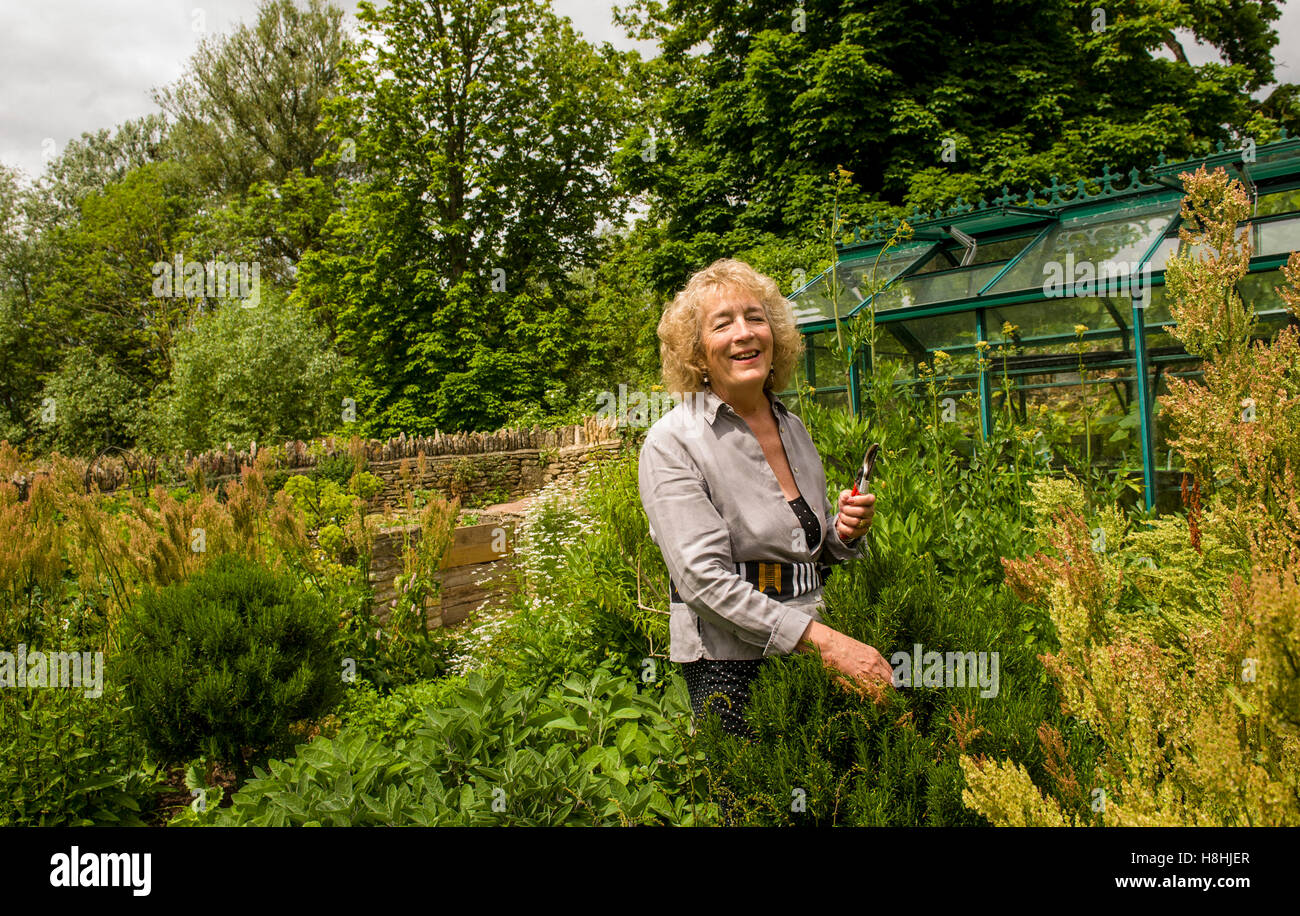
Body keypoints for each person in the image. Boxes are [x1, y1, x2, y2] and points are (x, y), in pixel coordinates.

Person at [638, 258, 896, 749]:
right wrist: (827, 642)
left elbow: (806, 555)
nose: (744, 334)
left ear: (776, 333)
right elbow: (702, 582)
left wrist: (841, 533)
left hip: (809, 644)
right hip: (732, 667)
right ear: (696, 350)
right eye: (723, 323)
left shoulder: (792, 427)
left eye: (756, 318)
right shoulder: (673, 441)